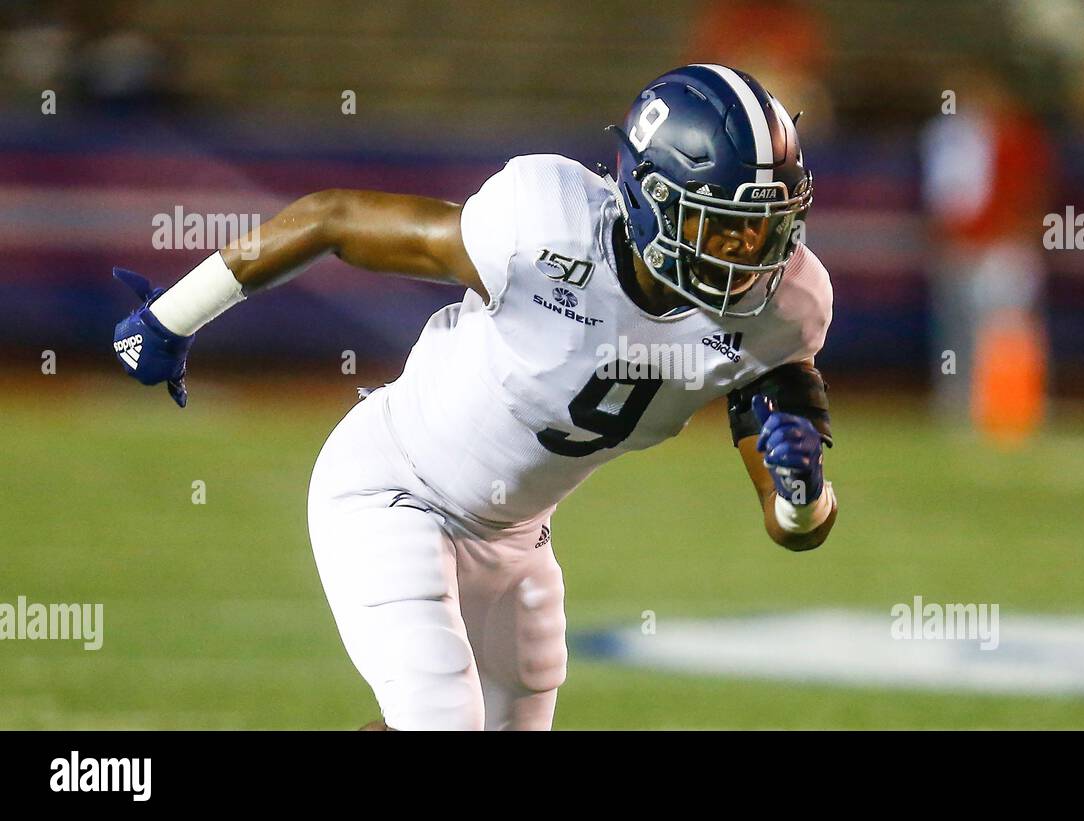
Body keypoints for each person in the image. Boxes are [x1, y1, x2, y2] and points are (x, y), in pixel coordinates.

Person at [110, 64, 838, 730]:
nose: (753, 253)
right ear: (651, 201)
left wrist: (804, 494)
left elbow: (793, 524)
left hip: (516, 539)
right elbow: (333, 218)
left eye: (768, 228)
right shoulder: (542, 229)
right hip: (393, 487)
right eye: (729, 227)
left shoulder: (782, 312)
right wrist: (172, 316)